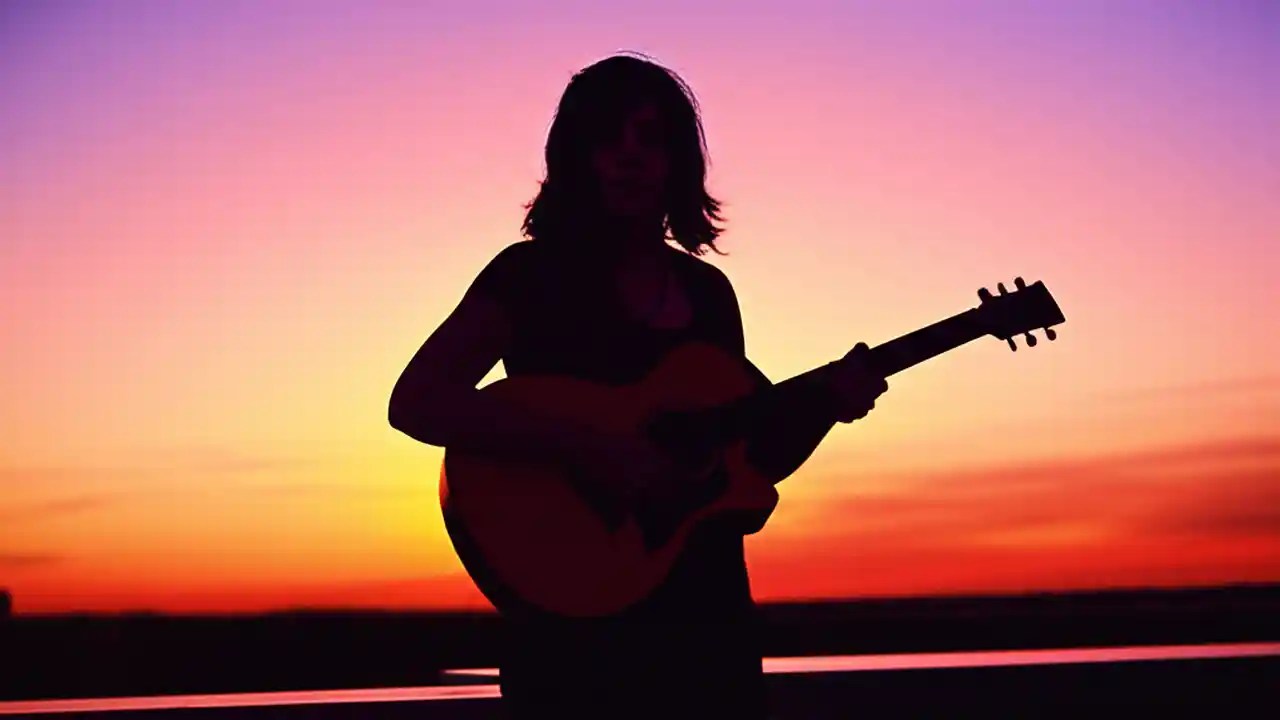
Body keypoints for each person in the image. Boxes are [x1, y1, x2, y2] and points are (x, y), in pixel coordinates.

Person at [389, 52, 888, 720]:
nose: (630, 157)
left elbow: (734, 466)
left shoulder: (708, 294)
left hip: (707, 630)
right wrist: (589, 449)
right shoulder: (527, 278)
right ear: (577, 158)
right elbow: (418, 401)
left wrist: (827, 406)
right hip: (573, 634)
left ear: (679, 163)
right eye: (608, 138)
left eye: (652, 139)